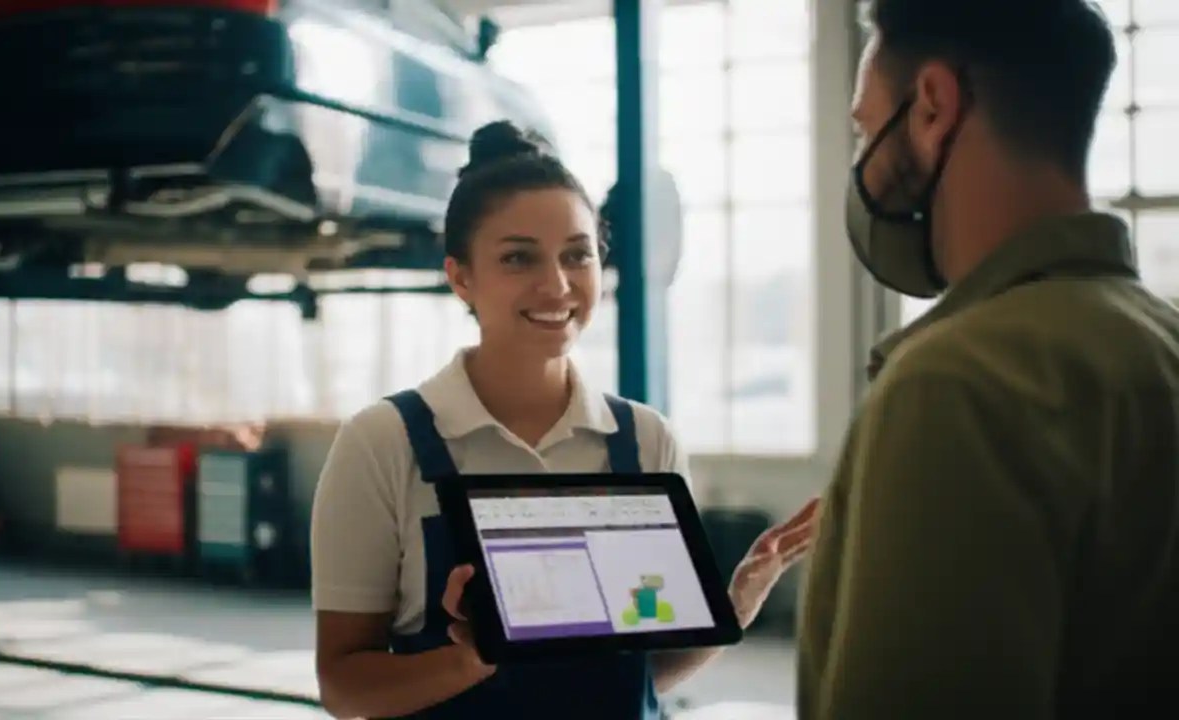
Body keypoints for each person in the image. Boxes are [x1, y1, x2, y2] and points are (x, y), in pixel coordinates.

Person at [310, 120, 820, 720]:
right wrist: (467, 661)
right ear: (461, 278)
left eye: (577, 255)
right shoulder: (383, 443)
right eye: (518, 258)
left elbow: (641, 674)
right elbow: (343, 685)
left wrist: (733, 608)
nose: (556, 285)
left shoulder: (646, 441)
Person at [800, 0, 1179, 717]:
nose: (863, 162)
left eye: (865, 131)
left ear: (933, 106)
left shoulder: (955, 385)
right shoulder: (1160, 340)